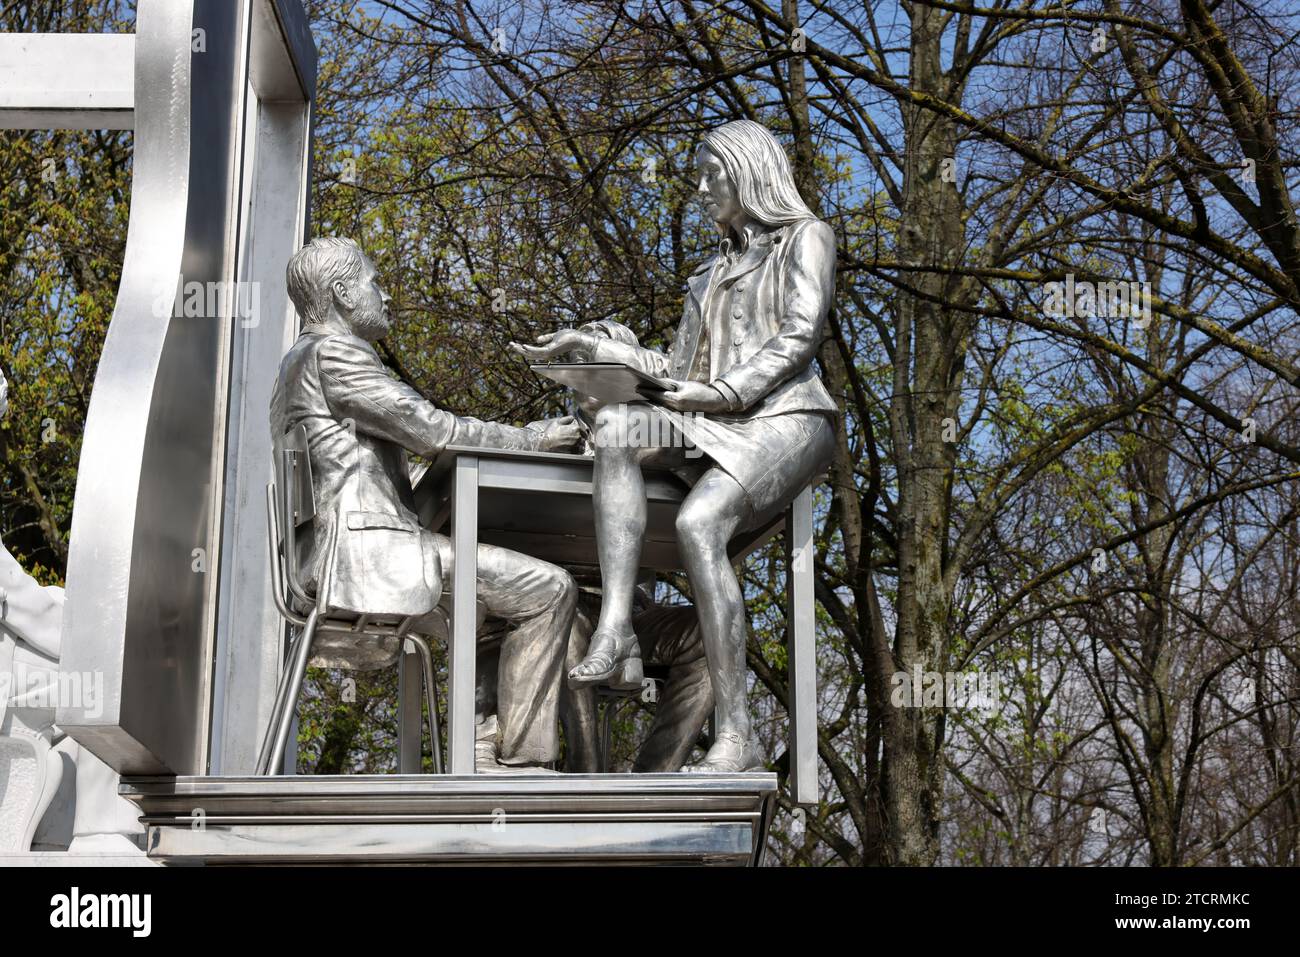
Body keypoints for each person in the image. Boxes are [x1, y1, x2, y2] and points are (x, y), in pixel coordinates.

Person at [512, 120, 837, 771]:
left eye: (712, 172)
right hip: (716, 419)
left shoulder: (807, 238)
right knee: (615, 429)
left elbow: (798, 338)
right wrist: (594, 348)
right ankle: (617, 625)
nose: (702, 186)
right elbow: (678, 368)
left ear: (748, 172)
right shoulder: (707, 276)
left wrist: (716, 394)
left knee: (698, 522)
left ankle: (737, 735)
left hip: (789, 419)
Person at [272, 237, 582, 768]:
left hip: (329, 558)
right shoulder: (333, 353)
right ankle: (519, 763)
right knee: (550, 589)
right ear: (344, 293)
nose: (384, 295)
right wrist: (532, 439)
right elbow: (432, 428)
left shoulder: (295, 365)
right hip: (366, 556)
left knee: (492, 599)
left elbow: (356, 461)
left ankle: (483, 745)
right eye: (374, 281)